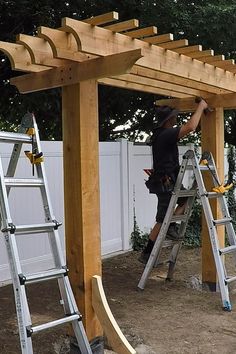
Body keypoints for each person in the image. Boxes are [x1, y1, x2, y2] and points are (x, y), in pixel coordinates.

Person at [139, 99, 209, 264]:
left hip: (165, 182)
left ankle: (148, 251)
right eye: (174, 118)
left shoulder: (161, 134)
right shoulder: (166, 133)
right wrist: (201, 106)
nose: (175, 120)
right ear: (168, 120)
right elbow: (190, 127)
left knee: (175, 208)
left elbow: (193, 126)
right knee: (164, 218)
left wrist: (200, 114)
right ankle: (163, 234)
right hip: (166, 183)